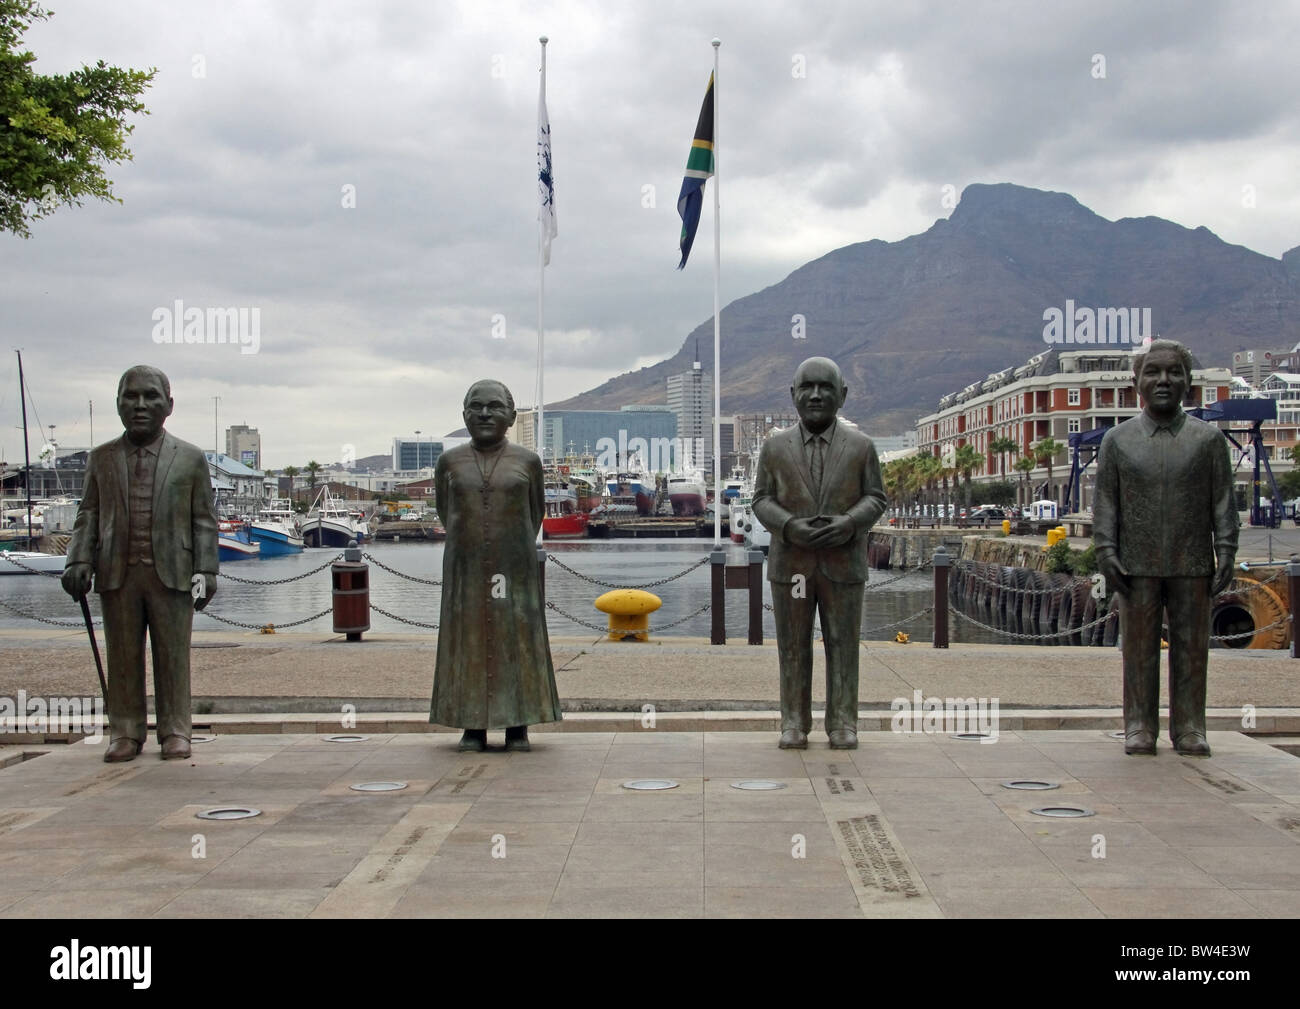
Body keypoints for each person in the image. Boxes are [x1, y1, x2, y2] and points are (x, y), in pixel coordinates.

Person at [61, 366, 219, 762]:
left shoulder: (191, 458)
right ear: (118, 404)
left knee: (172, 654)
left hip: (173, 572)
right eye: (131, 397)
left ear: (169, 405)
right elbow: (88, 514)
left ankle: (175, 730)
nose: (141, 405)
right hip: (118, 572)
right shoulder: (101, 459)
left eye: (151, 396)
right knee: (123, 654)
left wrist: (208, 570)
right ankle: (126, 732)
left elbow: (203, 520)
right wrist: (78, 559)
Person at [1093, 339, 1238, 756]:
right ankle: (1139, 724)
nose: (1163, 380)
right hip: (1135, 563)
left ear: (1188, 382)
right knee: (1137, 649)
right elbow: (1106, 503)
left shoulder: (1208, 441)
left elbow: (1223, 502)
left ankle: (1190, 725)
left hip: (1192, 560)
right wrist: (1106, 551)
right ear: (1136, 381)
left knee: (1193, 648)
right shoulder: (1117, 441)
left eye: (1174, 372)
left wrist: (1226, 550)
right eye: (1153, 372)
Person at [752, 357, 887, 749]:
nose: (815, 395)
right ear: (793, 395)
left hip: (843, 565)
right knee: (792, 644)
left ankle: (844, 722)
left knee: (844, 645)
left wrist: (849, 523)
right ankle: (793, 721)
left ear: (841, 395)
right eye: (806, 387)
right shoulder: (775, 447)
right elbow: (761, 499)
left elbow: (876, 497)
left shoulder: (861, 447)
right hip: (792, 566)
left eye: (825, 387)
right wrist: (788, 526)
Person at [430, 379, 561, 751]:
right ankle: (472, 726)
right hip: (466, 568)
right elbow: (447, 511)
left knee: (517, 639)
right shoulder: (449, 461)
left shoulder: (527, 462)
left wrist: (510, 547)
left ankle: (517, 725)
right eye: (476, 407)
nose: (484, 413)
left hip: (513, 568)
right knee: (466, 640)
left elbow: (534, 514)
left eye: (494, 406)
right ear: (464, 415)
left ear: (511, 416)